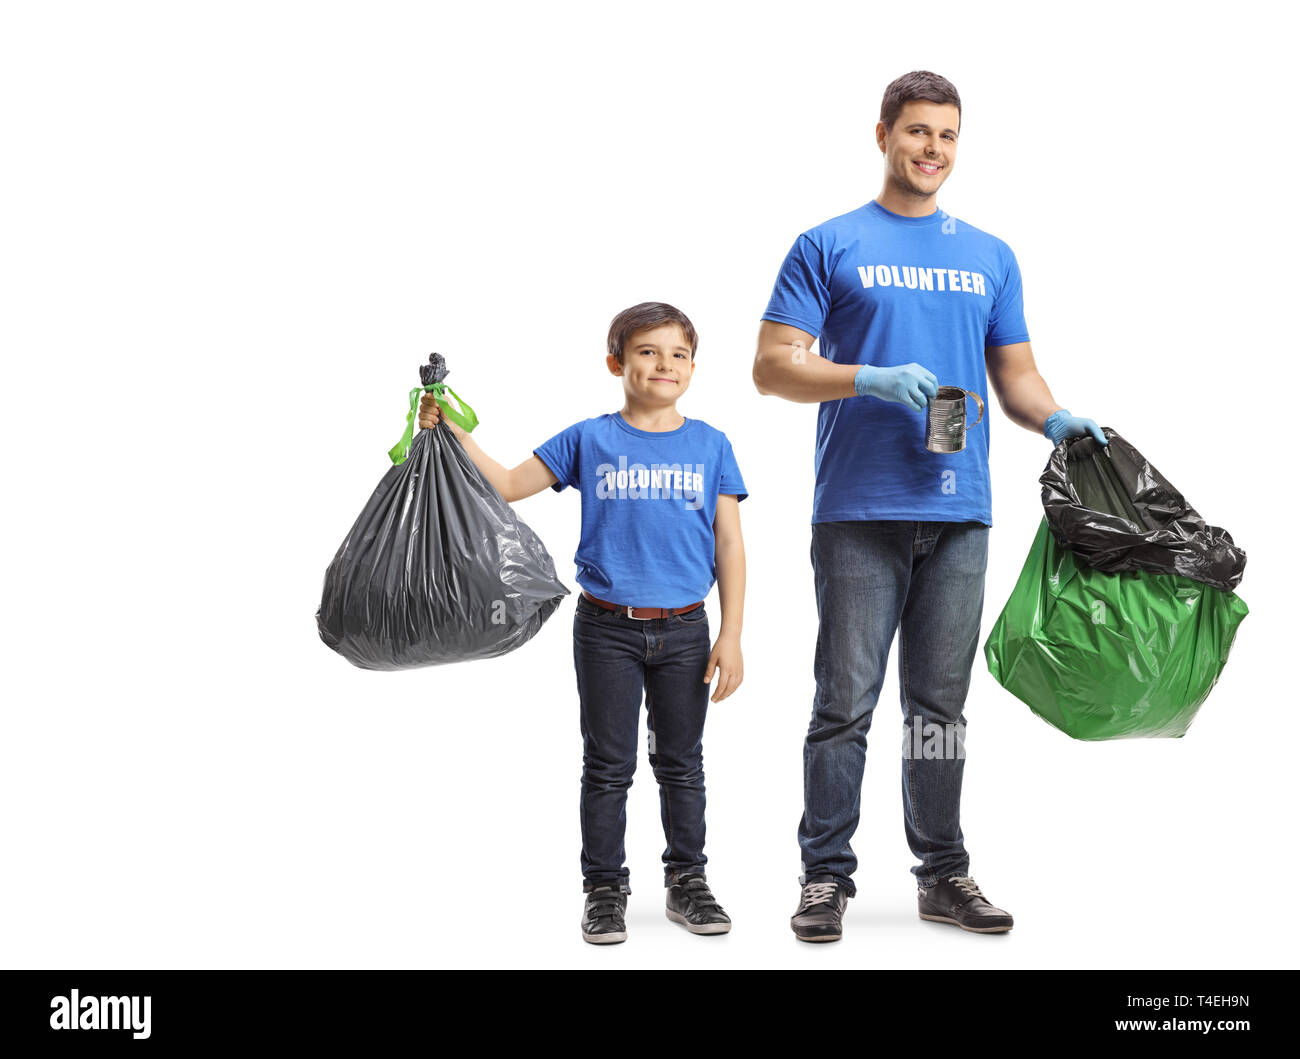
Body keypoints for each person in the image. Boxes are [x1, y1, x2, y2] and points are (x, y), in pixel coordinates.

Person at [752, 70, 1105, 942]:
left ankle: (943, 872)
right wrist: (864, 377)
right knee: (844, 703)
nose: (932, 151)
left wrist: (1055, 417)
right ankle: (824, 875)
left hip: (959, 511)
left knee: (940, 710)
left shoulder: (989, 254)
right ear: (882, 136)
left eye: (947, 136)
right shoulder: (826, 244)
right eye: (916, 133)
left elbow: (1014, 373)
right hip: (858, 510)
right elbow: (771, 366)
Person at [419, 302, 748, 944]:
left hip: (686, 630)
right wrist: (453, 433)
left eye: (679, 354)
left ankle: (689, 881)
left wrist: (731, 633)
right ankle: (604, 888)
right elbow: (510, 484)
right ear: (615, 363)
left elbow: (729, 543)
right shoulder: (589, 439)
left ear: (693, 368)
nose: (665, 364)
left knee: (682, 763)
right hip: (606, 630)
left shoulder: (712, 445)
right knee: (608, 763)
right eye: (648, 351)